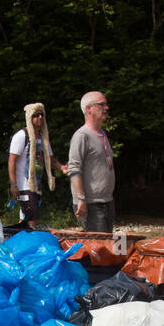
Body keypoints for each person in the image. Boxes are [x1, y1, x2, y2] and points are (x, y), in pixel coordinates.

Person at [8, 103, 65, 229]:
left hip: (37, 186)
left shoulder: (44, 138)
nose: (40, 117)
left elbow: (50, 159)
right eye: (36, 115)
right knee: (32, 219)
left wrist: (62, 167)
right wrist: (13, 185)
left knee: (26, 219)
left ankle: (17, 242)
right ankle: (26, 243)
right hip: (25, 185)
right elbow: (12, 161)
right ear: (29, 117)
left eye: (42, 114)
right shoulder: (22, 136)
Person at [67, 91, 116, 233]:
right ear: (88, 109)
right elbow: (74, 169)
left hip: (106, 201)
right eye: (101, 104)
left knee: (107, 245)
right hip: (91, 204)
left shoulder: (103, 134)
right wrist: (81, 199)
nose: (106, 108)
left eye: (106, 104)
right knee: (98, 248)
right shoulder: (81, 136)